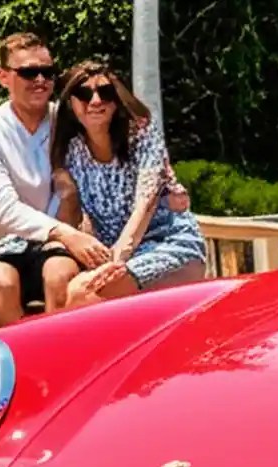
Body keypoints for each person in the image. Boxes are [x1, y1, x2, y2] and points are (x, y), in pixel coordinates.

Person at [0, 33, 189, 327]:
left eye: (47, 72)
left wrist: (166, 180)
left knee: (60, 274)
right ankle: (29, 361)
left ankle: (61, 359)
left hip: (69, 241)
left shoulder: (71, 119)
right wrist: (66, 233)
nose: (40, 80)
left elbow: (121, 154)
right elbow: (3, 209)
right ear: (3, 77)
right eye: (29, 72)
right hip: (22, 239)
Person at [49, 60, 208, 306]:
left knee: (85, 293)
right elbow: (87, 216)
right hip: (114, 251)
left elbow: (145, 205)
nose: (95, 101)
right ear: (70, 102)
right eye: (83, 93)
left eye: (105, 92)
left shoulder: (143, 134)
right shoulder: (73, 150)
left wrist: (115, 260)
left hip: (166, 244)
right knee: (60, 282)